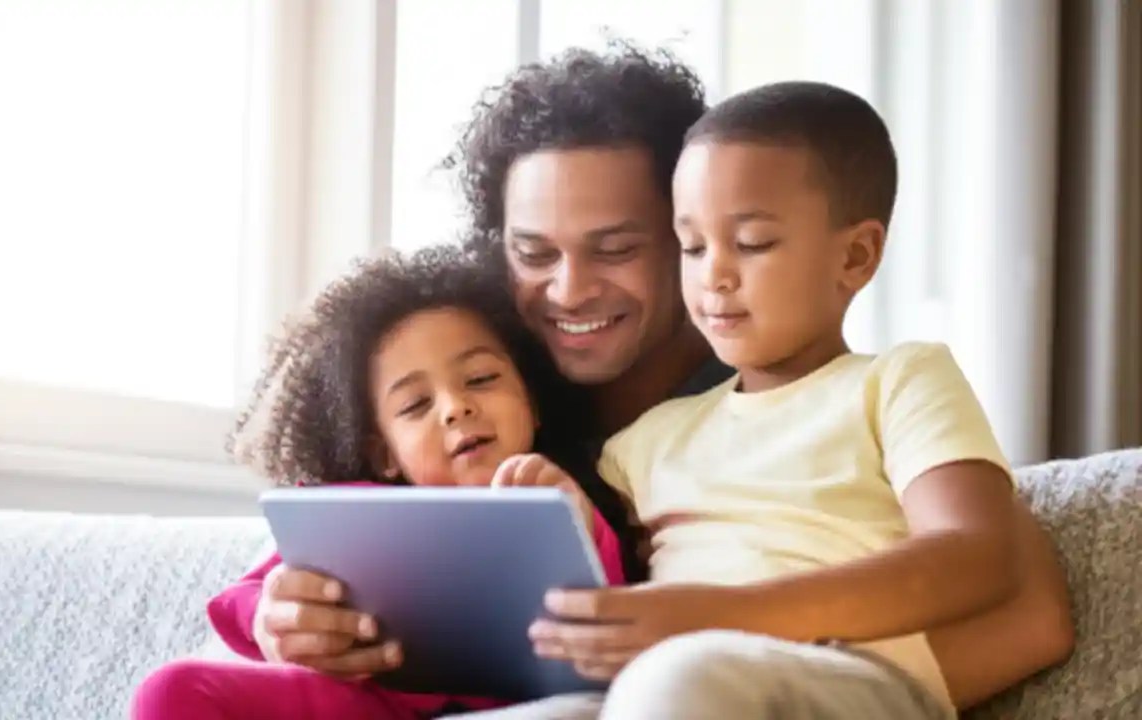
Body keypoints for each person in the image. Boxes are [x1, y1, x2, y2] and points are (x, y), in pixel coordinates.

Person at [217, 44, 1071, 717]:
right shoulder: (490, 406)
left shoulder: (818, 388)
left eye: (617, 248)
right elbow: (325, 536)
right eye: (533, 253)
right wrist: (279, 615)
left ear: (680, 232)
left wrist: (814, 675)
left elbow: (1025, 605)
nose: (570, 290)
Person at [509, 80, 1014, 719]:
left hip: (845, 679)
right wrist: (563, 518)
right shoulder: (645, 443)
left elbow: (978, 555)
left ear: (856, 256)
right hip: (679, 685)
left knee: (678, 679)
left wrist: (723, 615)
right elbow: (615, 585)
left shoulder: (898, 381)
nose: (714, 275)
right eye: (693, 247)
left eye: (751, 243)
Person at [131, 247, 625, 719]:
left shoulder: (566, 498)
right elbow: (249, 593)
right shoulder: (352, 512)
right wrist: (268, 615)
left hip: (527, 701)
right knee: (170, 689)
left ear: (532, 403)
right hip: (363, 701)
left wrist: (579, 524)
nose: (455, 407)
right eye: (416, 405)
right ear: (384, 453)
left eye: (480, 379)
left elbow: (614, 621)